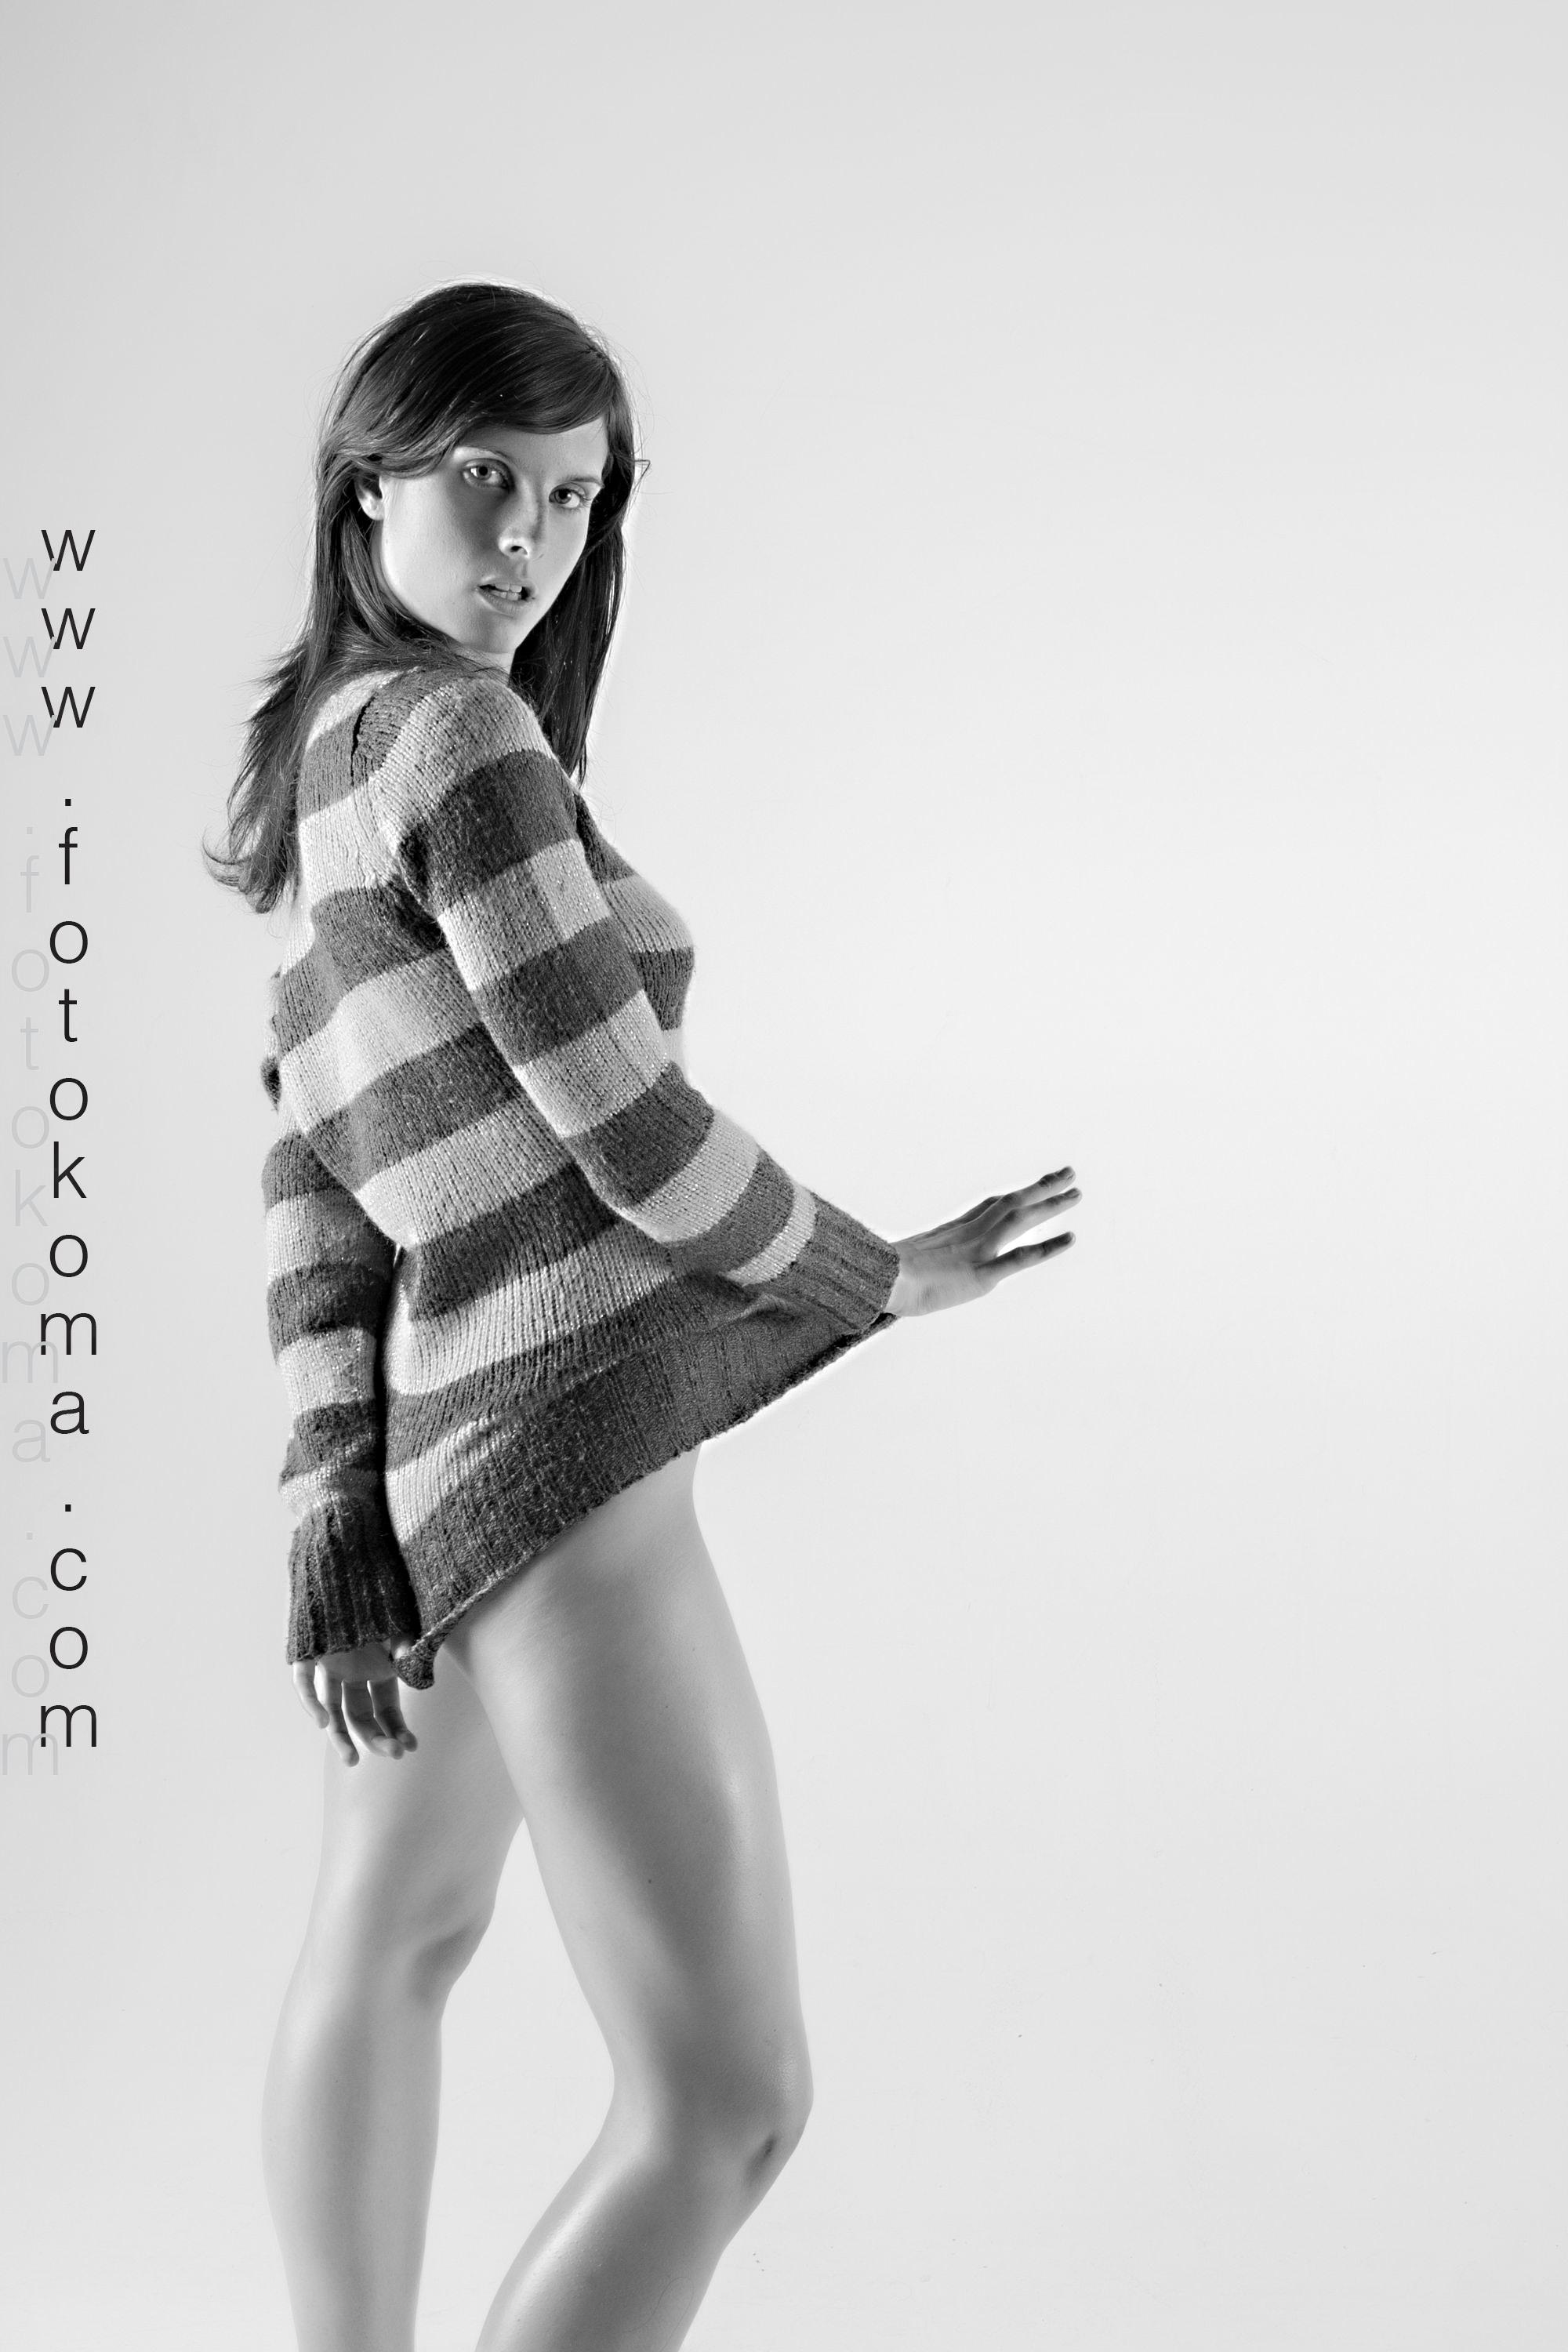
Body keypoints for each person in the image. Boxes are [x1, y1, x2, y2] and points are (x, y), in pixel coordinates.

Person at [208, 278, 1080, 2352]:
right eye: (482, 479)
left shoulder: (327, 757)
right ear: (368, 487)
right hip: (567, 1456)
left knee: (391, 1943)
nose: (527, 539)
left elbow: (315, 1185)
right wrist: (888, 1274)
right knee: (729, 2102)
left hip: (436, 1484)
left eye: (574, 496)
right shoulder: (459, 738)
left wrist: (338, 1513)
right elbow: (627, 1125)